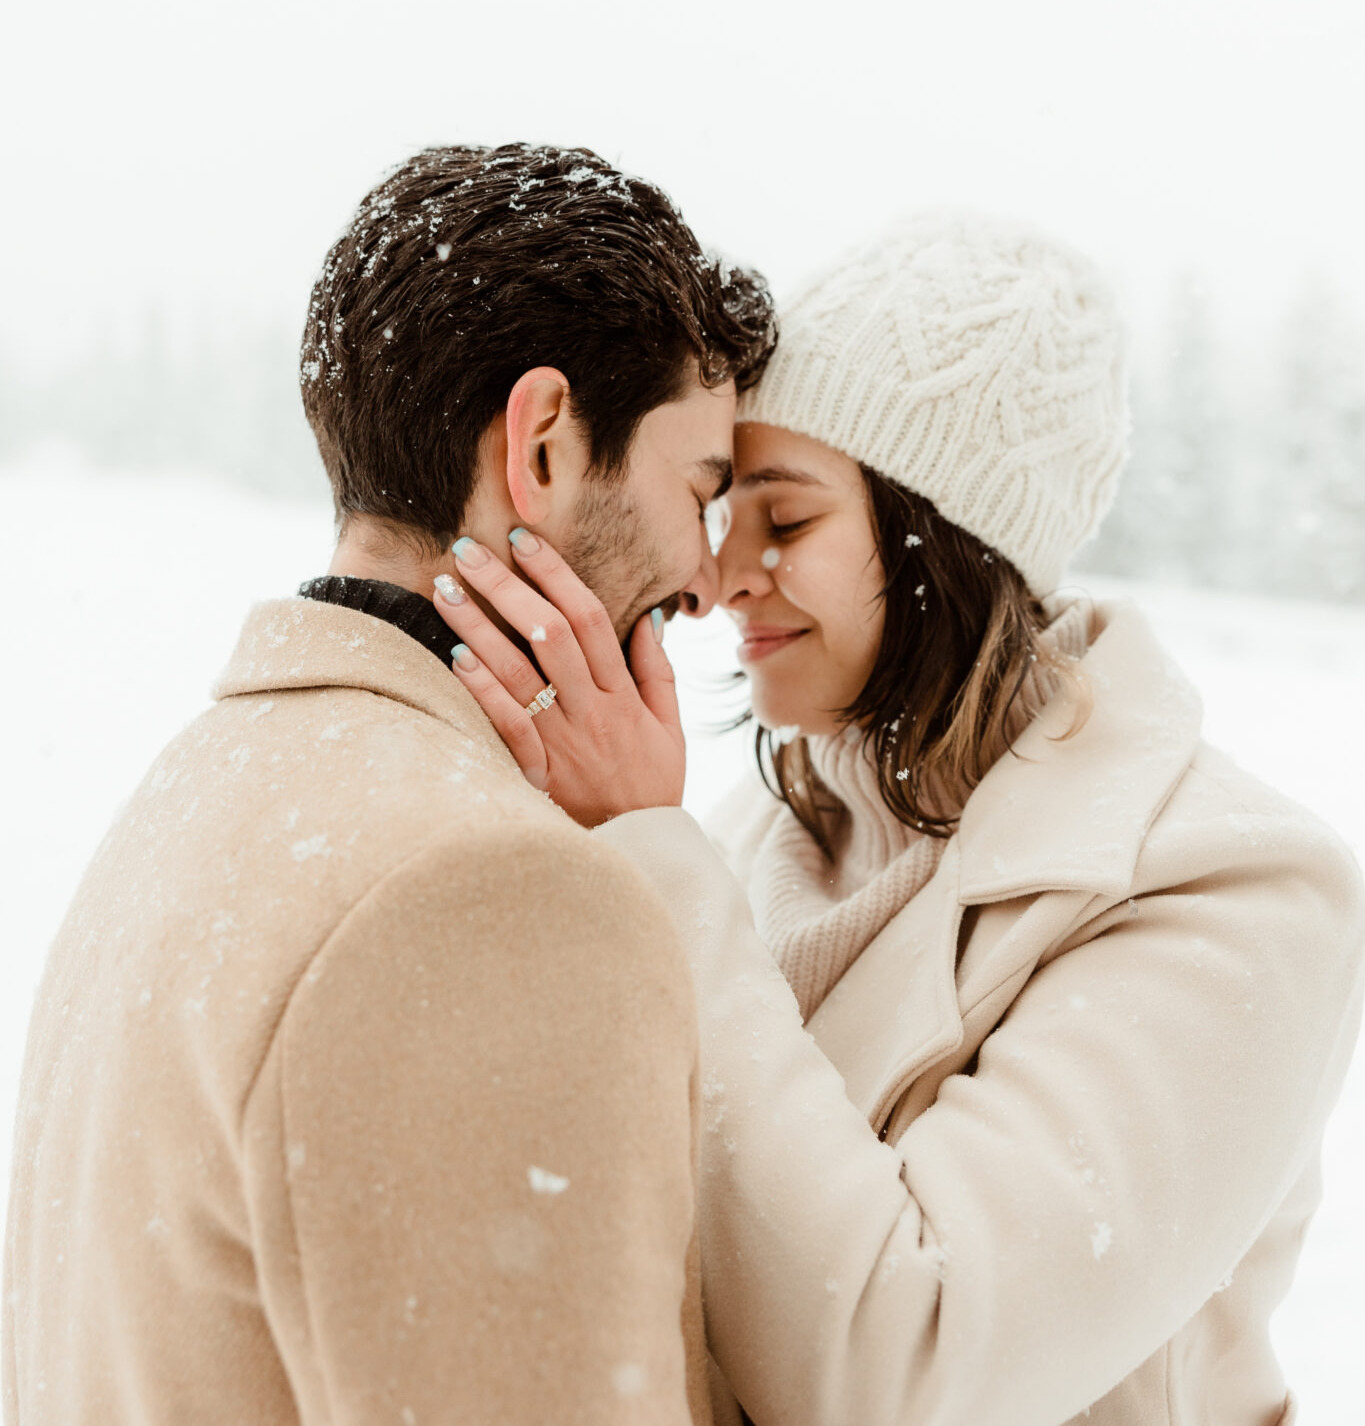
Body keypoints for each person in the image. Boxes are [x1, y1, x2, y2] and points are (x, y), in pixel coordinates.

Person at [438, 213, 1365, 1426]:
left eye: (786, 520)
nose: (713, 579)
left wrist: (641, 852)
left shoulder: (1233, 893)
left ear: (950, 542)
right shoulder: (759, 834)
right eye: (721, 510)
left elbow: (911, 1370)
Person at [2, 142, 775, 1426]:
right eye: (699, 489)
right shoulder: (496, 897)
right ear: (542, 443)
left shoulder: (190, 794)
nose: (704, 578)